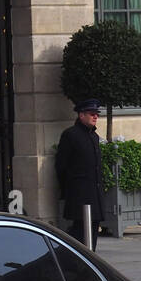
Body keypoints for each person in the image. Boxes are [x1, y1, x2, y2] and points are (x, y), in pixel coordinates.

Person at [56, 98, 106, 249]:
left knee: (92, 234)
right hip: (80, 197)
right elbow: (61, 166)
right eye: (91, 114)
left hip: (94, 195)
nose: (95, 117)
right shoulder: (70, 135)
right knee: (79, 235)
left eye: (96, 114)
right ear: (81, 115)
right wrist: (68, 192)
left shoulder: (94, 137)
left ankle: (89, 264)